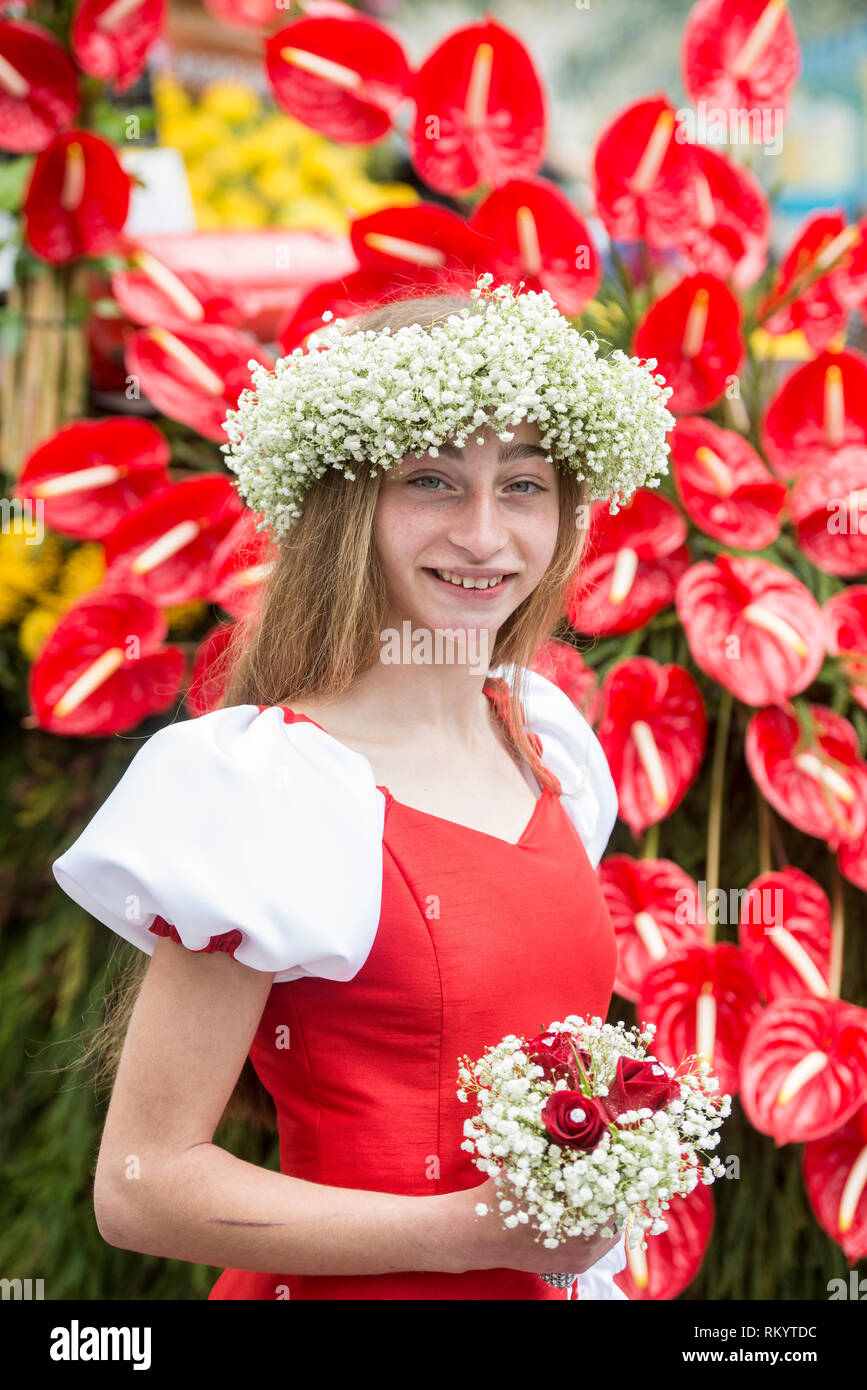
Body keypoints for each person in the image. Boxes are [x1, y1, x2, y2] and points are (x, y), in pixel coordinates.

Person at [52, 275, 673, 1300]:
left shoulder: (544, 738)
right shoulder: (269, 790)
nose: (484, 535)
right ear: (352, 505)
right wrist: (472, 1231)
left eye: (522, 484)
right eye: (431, 480)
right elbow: (140, 1185)